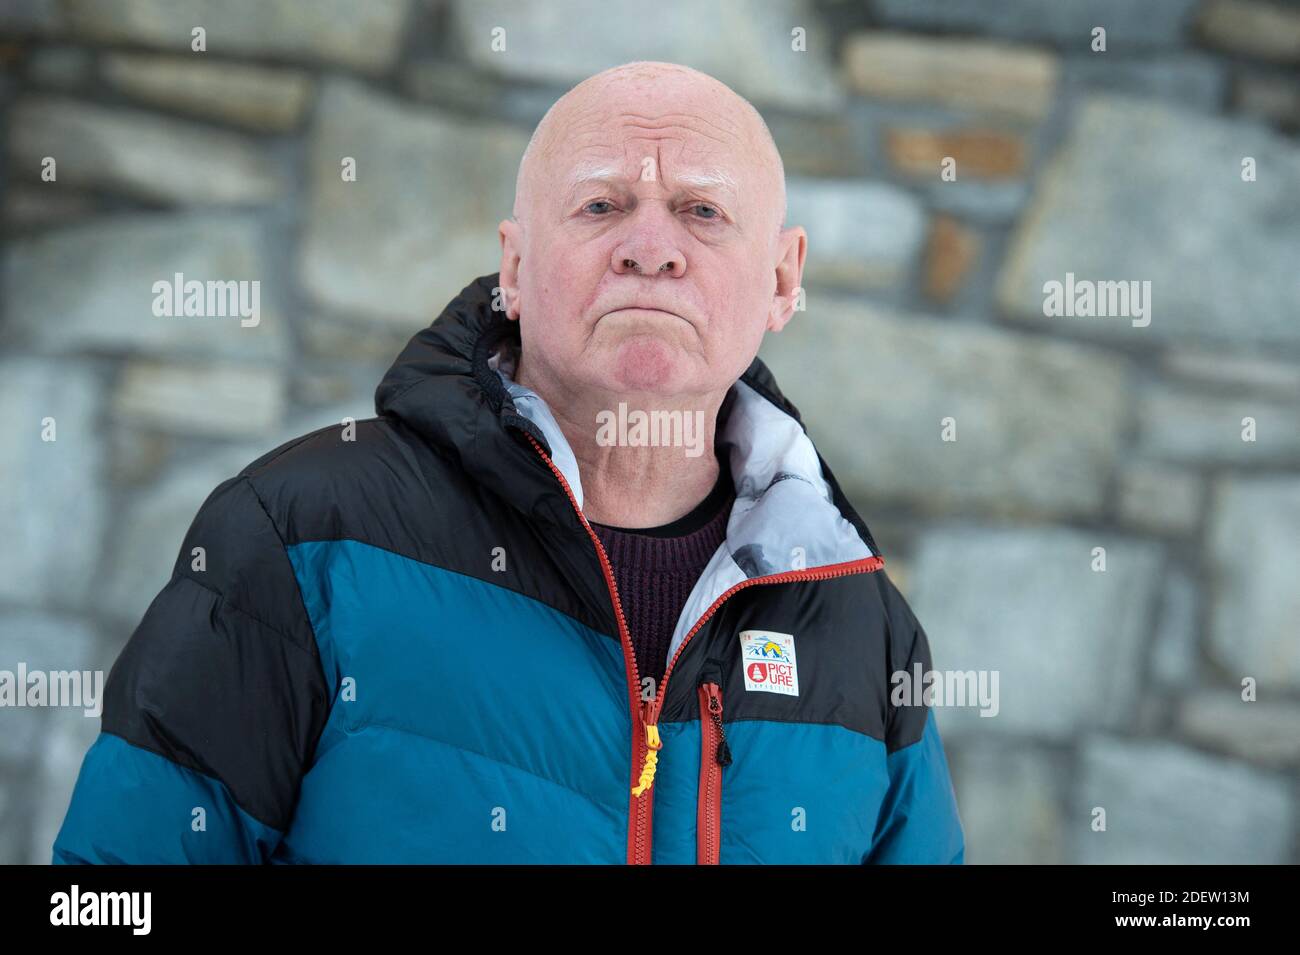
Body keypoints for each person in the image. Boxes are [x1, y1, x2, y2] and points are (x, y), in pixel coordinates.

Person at [52, 60, 964, 864]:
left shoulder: (863, 627)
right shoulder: (299, 541)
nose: (652, 248)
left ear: (780, 279)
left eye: (703, 210)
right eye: (602, 205)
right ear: (515, 271)